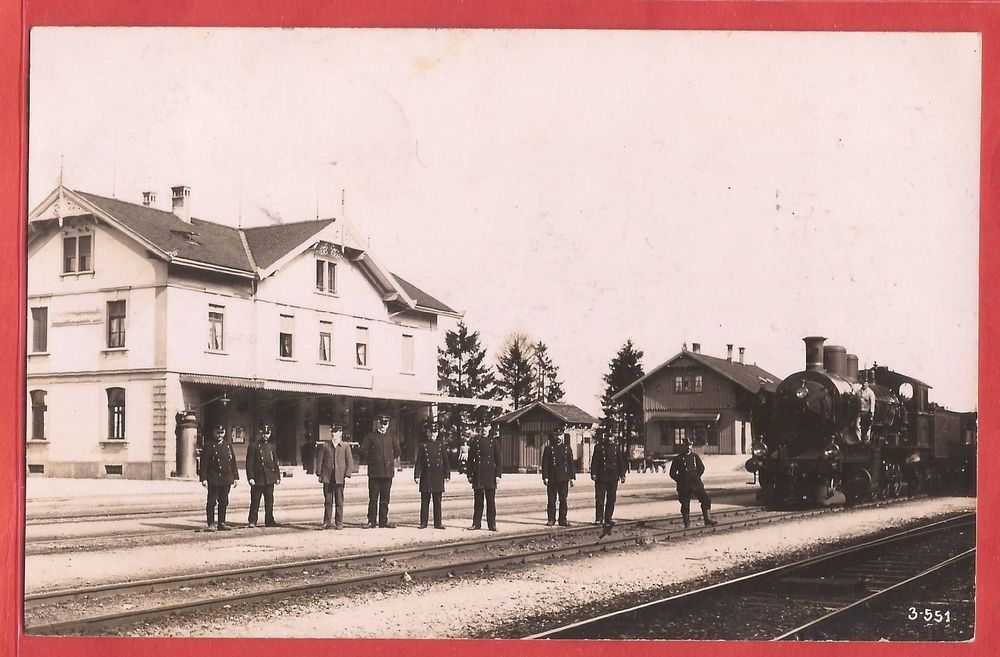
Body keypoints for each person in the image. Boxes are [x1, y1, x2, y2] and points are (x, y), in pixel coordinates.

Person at [360, 413, 400, 528]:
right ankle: (371, 521)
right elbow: (362, 451)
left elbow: (397, 451)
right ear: (377, 423)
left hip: (387, 473)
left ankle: (383, 521)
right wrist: (372, 460)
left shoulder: (391, 437)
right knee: (373, 498)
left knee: (385, 499)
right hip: (375, 473)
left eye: (385, 423)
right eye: (381, 423)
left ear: (388, 424)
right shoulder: (370, 436)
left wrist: (388, 459)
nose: (383, 425)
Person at [669, 437, 717, 528]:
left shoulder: (695, 457)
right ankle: (687, 524)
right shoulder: (678, 458)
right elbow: (672, 473)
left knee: (706, 500)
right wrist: (680, 480)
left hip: (696, 484)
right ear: (683, 446)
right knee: (685, 504)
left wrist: (696, 477)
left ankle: (707, 519)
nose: (688, 447)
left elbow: (701, 468)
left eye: (690, 445)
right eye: (686, 445)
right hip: (684, 486)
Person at [199, 425, 239, 531]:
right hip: (214, 478)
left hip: (226, 478)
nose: (219, 435)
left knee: (224, 501)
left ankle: (221, 523)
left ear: (224, 433)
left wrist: (235, 477)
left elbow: (233, 462)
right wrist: (203, 478)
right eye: (217, 432)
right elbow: (204, 464)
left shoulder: (228, 446)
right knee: (212, 501)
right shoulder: (208, 446)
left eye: (221, 433)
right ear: (214, 432)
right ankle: (211, 524)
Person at [317, 423, 355, 529]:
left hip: (339, 477)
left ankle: (339, 522)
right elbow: (320, 460)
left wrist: (347, 473)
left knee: (339, 500)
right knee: (328, 501)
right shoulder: (326, 445)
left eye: (336, 432)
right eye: (333, 432)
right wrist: (319, 473)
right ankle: (327, 522)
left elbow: (350, 461)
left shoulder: (345, 446)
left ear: (340, 433)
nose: (334, 434)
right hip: (327, 477)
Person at [414, 418, 450, 529]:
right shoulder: (423, 445)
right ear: (427, 433)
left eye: (435, 432)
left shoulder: (441, 445)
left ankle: (438, 523)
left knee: (437, 501)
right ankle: (423, 523)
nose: (433, 434)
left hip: (438, 476)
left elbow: (446, 461)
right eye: (431, 432)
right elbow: (419, 462)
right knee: (425, 501)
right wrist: (417, 475)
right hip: (426, 476)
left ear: (437, 433)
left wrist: (447, 474)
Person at [590, 430, 627, 537]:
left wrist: (622, 475)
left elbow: (621, 462)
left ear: (614, 437)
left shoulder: (616, 448)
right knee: (600, 498)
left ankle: (608, 518)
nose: (610, 439)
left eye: (611, 437)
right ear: (605, 437)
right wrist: (594, 473)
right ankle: (599, 518)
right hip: (601, 476)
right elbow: (594, 461)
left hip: (613, 477)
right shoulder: (599, 447)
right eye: (608, 436)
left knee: (611, 499)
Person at [466, 423, 502, 531]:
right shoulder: (475, 442)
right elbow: (470, 460)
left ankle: (492, 525)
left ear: (489, 428)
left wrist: (498, 475)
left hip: (490, 475)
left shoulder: (494, 442)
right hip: (478, 475)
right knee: (478, 501)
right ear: (480, 428)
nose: (484, 430)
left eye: (486, 427)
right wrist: (469, 474)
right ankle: (476, 524)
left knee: (490, 502)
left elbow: (499, 461)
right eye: (482, 427)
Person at [245, 424, 282, 528]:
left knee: (269, 502)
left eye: (267, 433)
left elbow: (275, 462)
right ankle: (252, 521)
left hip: (269, 478)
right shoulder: (253, 446)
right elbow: (249, 464)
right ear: (260, 433)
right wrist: (250, 477)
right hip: (258, 478)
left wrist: (277, 476)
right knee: (255, 501)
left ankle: (269, 520)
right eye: (264, 433)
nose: (265, 436)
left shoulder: (271, 447)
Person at [541, 424, 576, 527]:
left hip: (563, 478)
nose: (558, 437)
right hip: (552, 478)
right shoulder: (548, 448)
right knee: (551, 500)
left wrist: (572, 477)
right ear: (554, 435)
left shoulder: (567, 448)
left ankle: (562, 519)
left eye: (560, 435)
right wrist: (545, 477)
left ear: (563, 435)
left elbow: (571, 464)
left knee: (563, 500)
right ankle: (551, 519)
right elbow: (545, 464)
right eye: (557, 435)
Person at [857, 379, 877, 444]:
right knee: (857, 425)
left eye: (865, 383)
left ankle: (866, 440)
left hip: (867, 412)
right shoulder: (859, 391)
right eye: (863, 383)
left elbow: (872, 403)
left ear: (867, 384)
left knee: (867, 427)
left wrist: (871, 412)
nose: (864, 384)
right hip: (859, 411)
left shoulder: (870, 392)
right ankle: (859, 440)